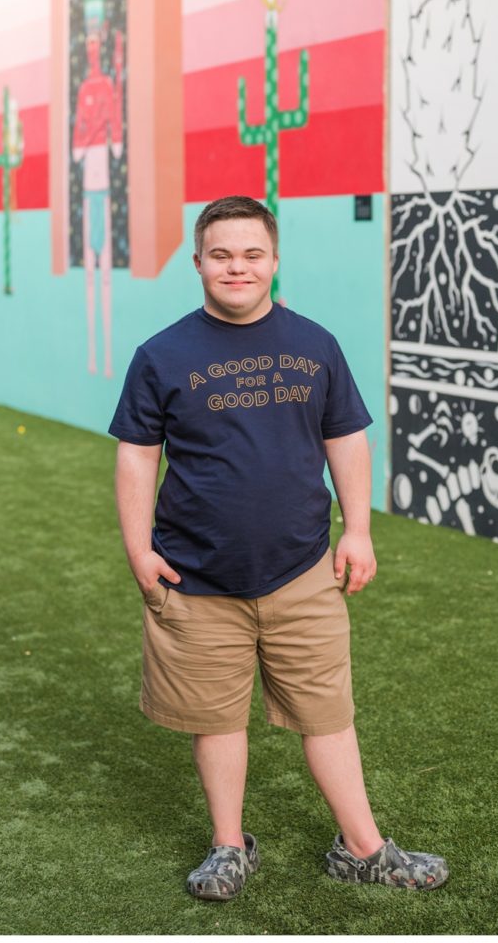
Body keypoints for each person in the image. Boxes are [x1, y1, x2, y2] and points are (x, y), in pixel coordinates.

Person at [111, 195, 449, 901]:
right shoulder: (161, 356)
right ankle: (229, 847)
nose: (238, 267)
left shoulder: (314, 344)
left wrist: (357, 529)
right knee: (215, 717)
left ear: (274, 260)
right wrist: (138, 549)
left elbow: (346, 439)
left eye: (252, 254)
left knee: (328, 714)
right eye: (223, 255)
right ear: (198, 262)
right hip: (195, 578)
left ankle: (363, 848)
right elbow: (138, 456)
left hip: (302, 572)